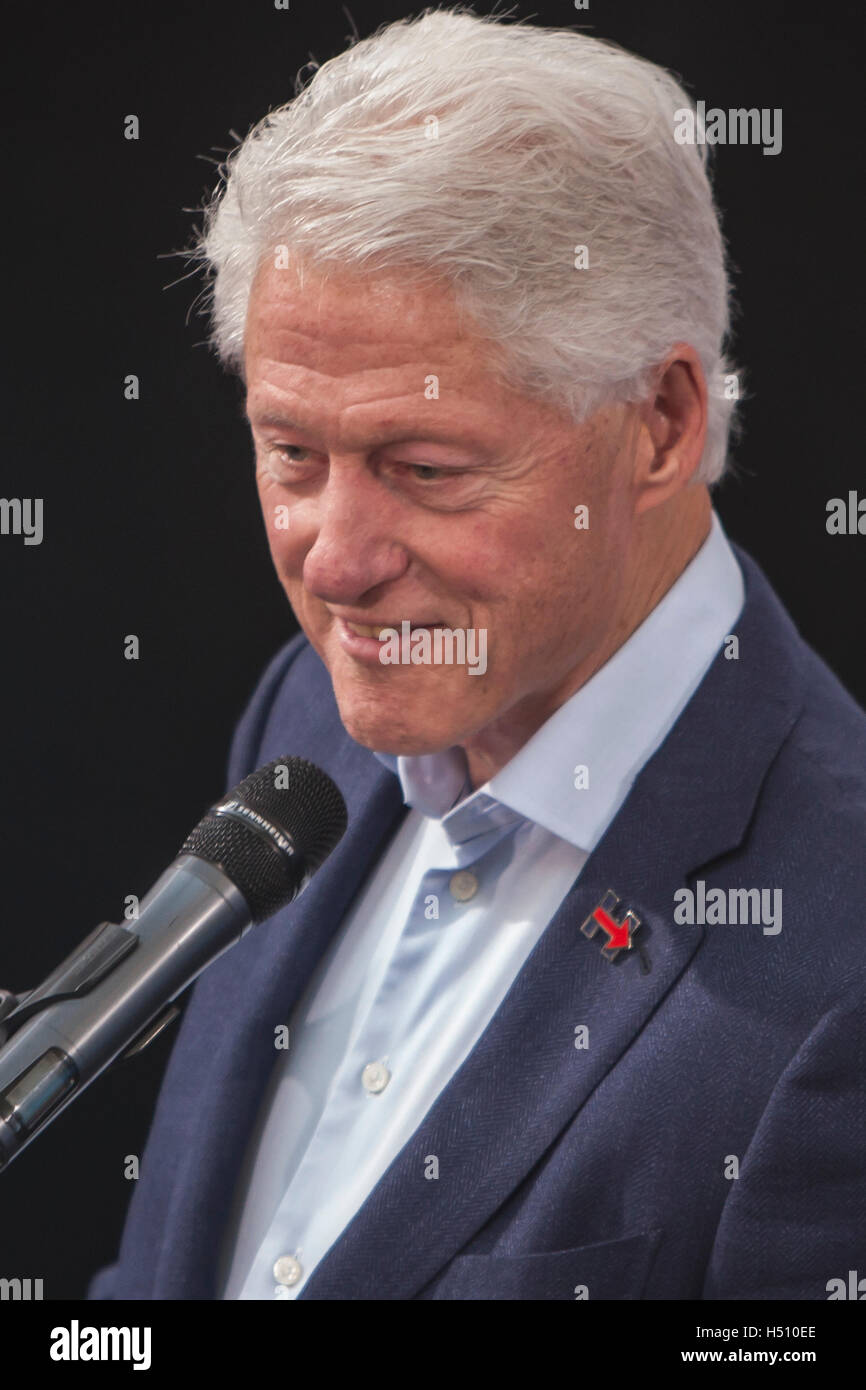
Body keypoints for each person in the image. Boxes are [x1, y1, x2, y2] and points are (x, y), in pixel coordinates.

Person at [88, 9, 866, 1300]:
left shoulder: (833, 955)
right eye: (292, 453)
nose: (333, 560)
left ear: (660, 423)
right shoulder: (308, 727)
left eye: (424, 468)